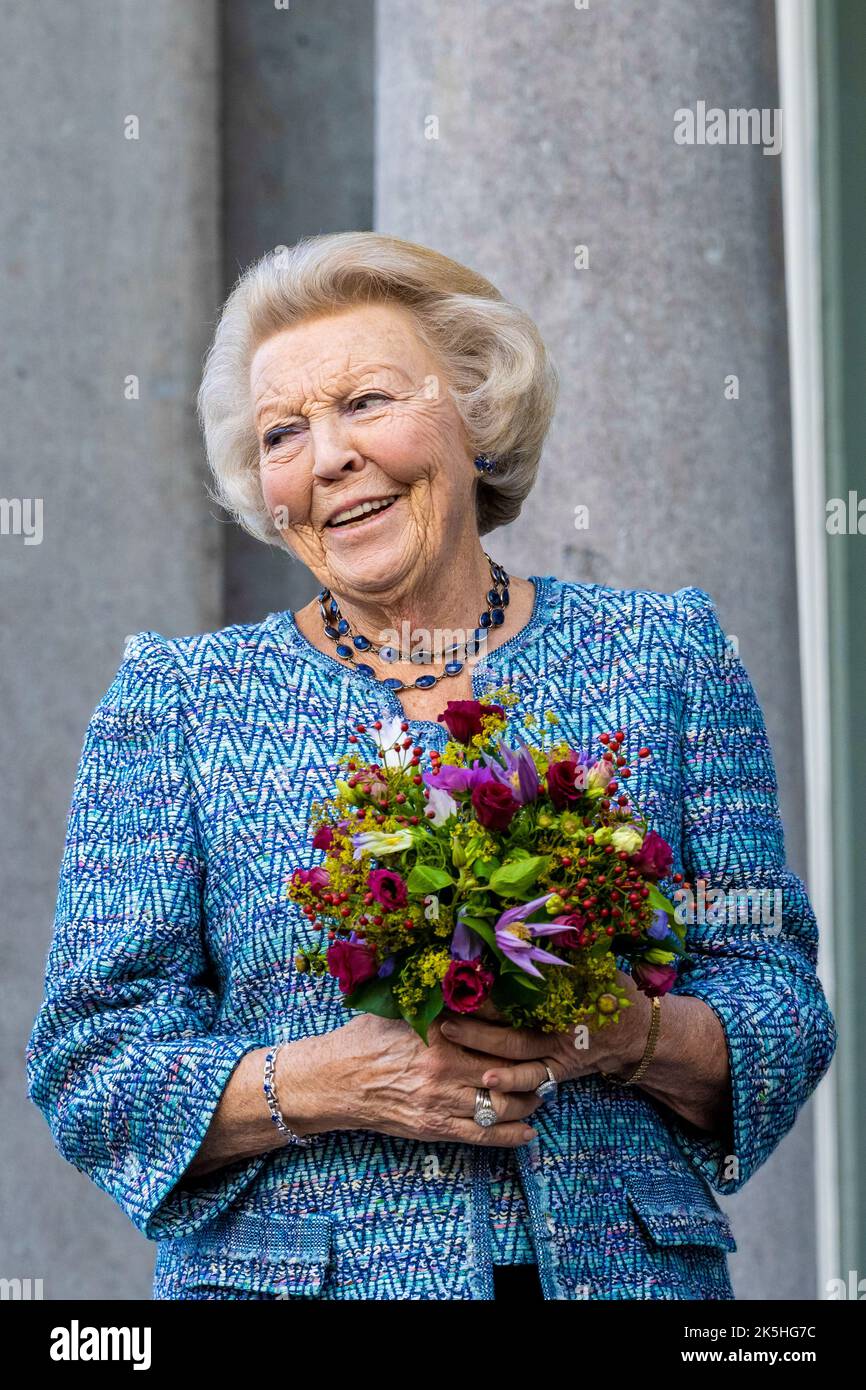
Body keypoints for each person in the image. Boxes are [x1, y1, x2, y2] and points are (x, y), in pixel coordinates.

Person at [26, 232, 837, 1300]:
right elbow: (89, 1065)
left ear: (476, 415)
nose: (326, 459)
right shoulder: (178, 704)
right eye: (284, 433)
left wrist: (611, 1029)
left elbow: (775, 1002)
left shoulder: (664, 655)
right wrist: (328, 1082)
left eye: (365, 401)